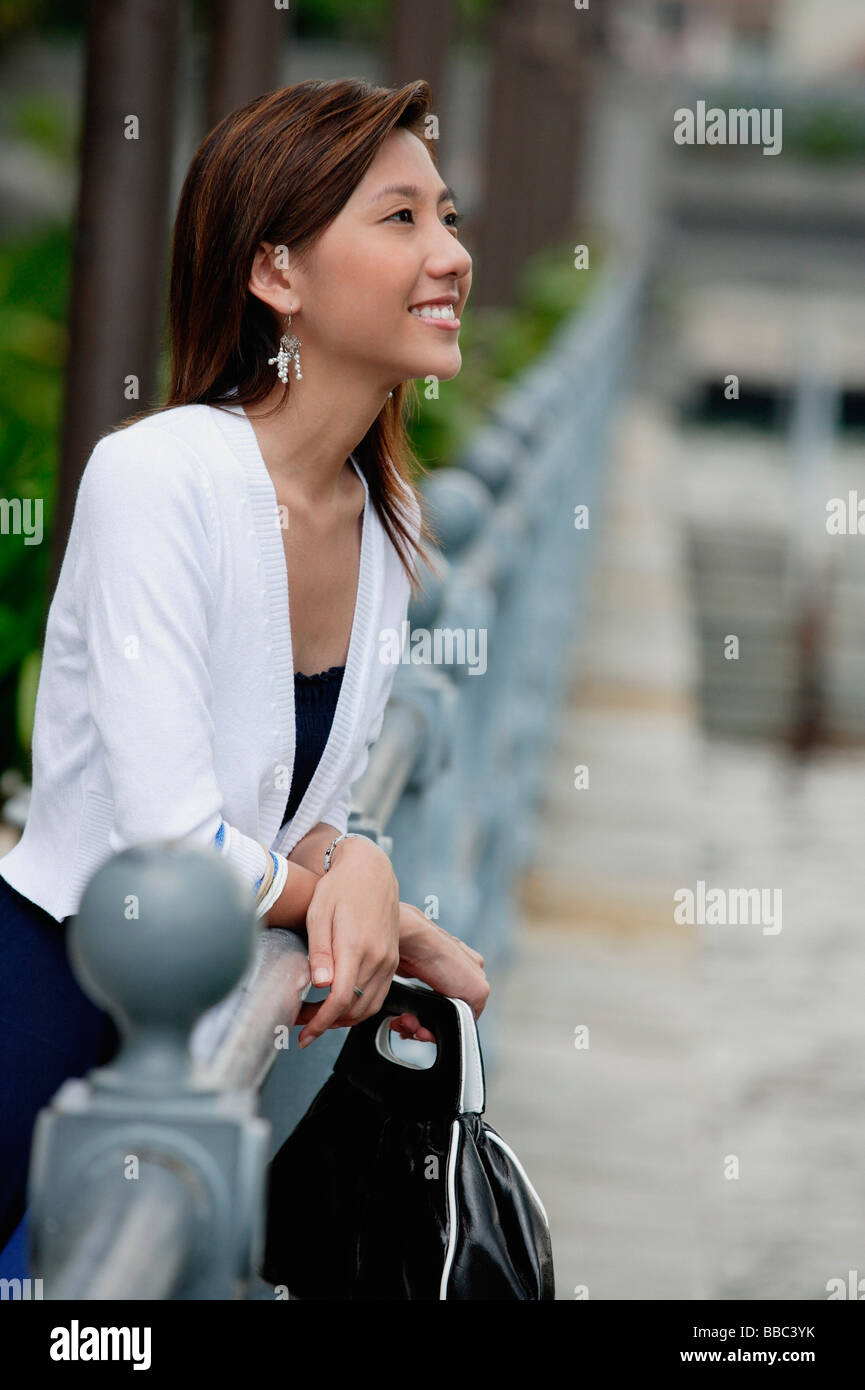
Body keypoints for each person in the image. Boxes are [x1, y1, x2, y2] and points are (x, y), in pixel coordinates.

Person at [0, 76, 488, 1270]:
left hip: (215, 1031)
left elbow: (288, 816)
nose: (452, 255)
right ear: (276, 274)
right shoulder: (158, 478)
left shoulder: (386, 525)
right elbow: (179, 834)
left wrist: (358, 859)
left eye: (449, 215)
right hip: (52, 1012)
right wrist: (383, 912)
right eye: (401, 220)